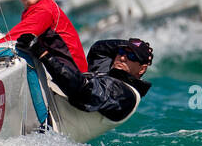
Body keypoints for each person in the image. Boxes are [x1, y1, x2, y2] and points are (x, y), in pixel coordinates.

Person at [22, 34, 152, 122]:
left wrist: (44, 55)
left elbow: (82, 91)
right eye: (122, 52)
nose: (123, 57)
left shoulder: (124, 94)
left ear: (142, 69)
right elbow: (99, 49)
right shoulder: (112, 73)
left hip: (46, 122)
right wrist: (131, 44)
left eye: (132, 56)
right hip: (42, 101)